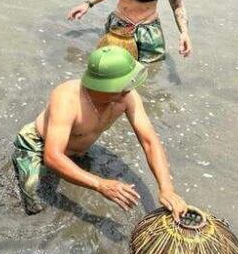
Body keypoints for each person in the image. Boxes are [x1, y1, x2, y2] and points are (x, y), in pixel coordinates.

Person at [12, 46, 187, 219]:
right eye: (124, 85)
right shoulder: (68, 98)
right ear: (105, 86)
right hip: (38, 145)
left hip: (77, 149)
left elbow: (149, 141)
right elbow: (53, 157)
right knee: (36, 205)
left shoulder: (127, 97)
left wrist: (167, 189)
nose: (129, 90)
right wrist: (100, 184)